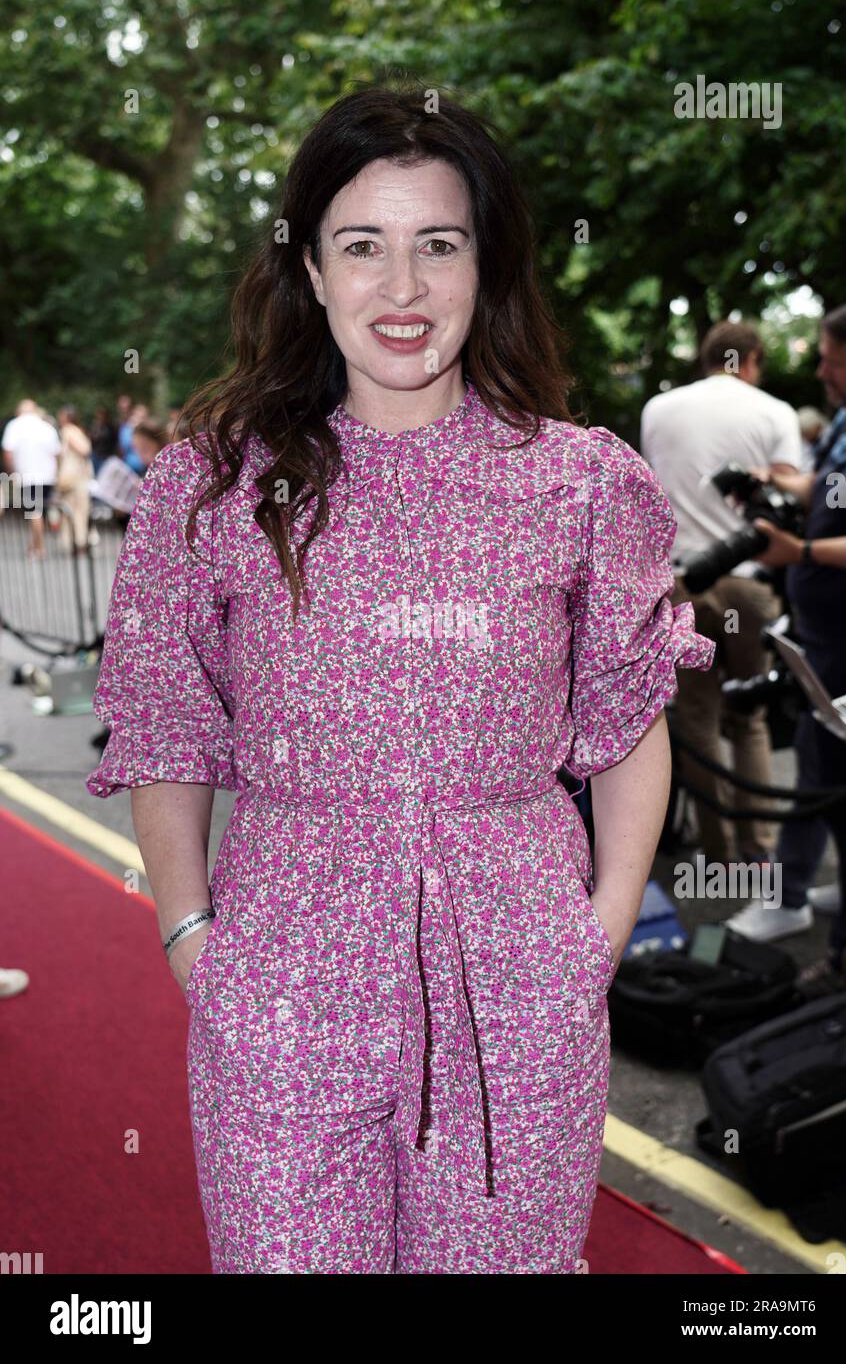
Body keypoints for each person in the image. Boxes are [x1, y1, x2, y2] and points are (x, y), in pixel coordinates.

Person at [85, 85, 714, 1275]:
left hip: (517, 974)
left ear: (487, 266)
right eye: (361, 247)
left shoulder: (581, 482)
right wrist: (191, 939)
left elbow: (629, 718)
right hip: (280, 967)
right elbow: (166, 728)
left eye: (439, 244)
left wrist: (597, 936)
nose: (405, 287)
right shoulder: (212, 486)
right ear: (311, 272)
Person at [726, 302, 846, 991]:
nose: (820, 369)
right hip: (824, 642)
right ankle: (809, 898)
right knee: (819, 775)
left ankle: (844, 954)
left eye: (831, 358)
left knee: (845, 785)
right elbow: (828, 488)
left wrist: (801, 548)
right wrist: (777, 483)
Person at [640, 321, 801, 869]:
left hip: (682, 582)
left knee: (696, 719)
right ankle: (761, 852)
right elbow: (786, 499)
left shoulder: (660, 410)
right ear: (750, 359)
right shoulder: (775, 411)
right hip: (749, 583)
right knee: (749, 715)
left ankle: (717, 854)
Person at [1, 398, 61, 557]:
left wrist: (12, 472)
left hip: (28, 476)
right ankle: (33, 544)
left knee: (34, 512)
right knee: (39, 511)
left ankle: (39, 548)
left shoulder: (14, 426)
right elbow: (57, 454)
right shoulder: (47, 426)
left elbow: (7, 452)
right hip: (47, 476)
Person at [55, 404, 95, 552]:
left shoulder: (69, 431)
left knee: (75, 510)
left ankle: (78, 541)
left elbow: (84, 450)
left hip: (74, 478)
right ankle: (78, 540)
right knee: (75, 510)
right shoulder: (76, 431)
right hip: (76, 477)